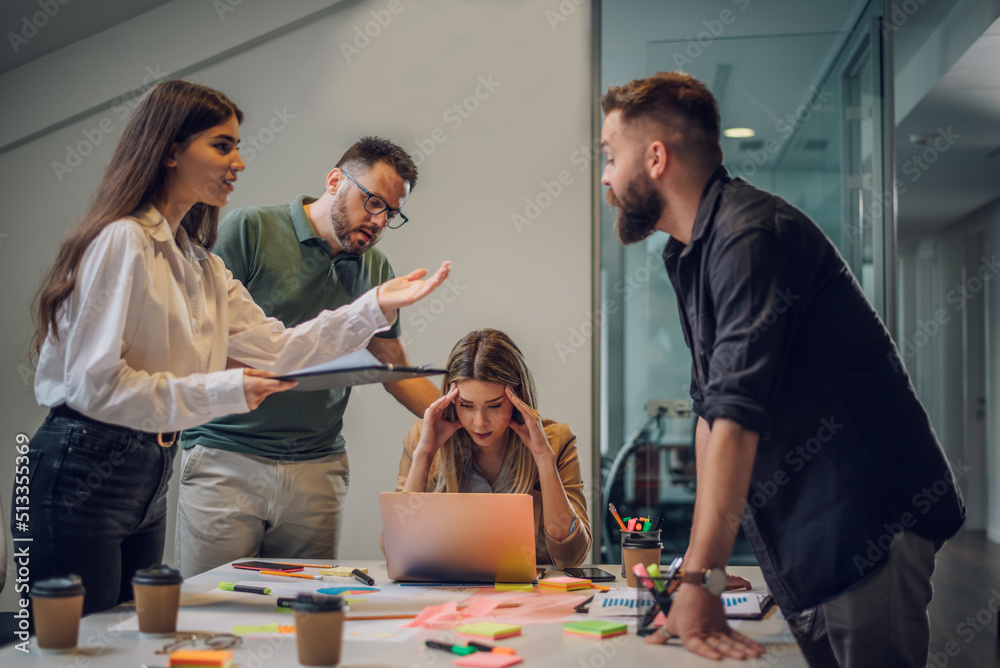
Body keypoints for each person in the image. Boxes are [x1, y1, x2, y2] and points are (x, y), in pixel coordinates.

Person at [18, 80, 449, 615]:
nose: (239, 162)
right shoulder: (123, 240)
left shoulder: (200, 263)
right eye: (223, 146)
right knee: (73, 645)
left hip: (150, 467)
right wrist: (229, 390)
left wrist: (375, 304)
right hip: (82, 460)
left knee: (129, 637)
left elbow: (280, 348)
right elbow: (95, 386)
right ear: (170, 150)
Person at [600, 71, 964, 665]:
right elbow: (711, 415)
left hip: (867, 525)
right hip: (812, 538)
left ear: (656, 157)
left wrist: (699, 581)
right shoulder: (694, 252)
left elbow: (738, 417)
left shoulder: (750, 236)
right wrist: (700, 575)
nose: (607, 176)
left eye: (612, 156)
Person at [176, 137, 441, 578]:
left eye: (391, 214)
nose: (378, 221)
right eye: (372, 202)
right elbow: (202, 342)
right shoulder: (249, 230)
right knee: (212, 611)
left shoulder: (375, 268)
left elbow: (393, 366)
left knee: (303, 615)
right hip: (227, 456)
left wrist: (456, 415)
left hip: (317, 468)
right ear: (335, 181)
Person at [392, 329, 591, 570]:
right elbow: (398, 551)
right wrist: (424, 455)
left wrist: (543, 458)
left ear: (519, 398)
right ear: (451, 400)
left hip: (528, 597)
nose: (479, 422)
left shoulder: (557, 442)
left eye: (494, 405)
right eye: (466, 405)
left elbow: (570, 557)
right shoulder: (422, 439)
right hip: (448, 593)